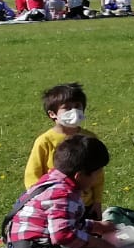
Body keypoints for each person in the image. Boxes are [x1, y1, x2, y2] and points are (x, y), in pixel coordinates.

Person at [5, 134, 126, 248]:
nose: (98, 177)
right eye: (97, 173)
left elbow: (67, 222)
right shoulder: (63, 194)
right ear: (79, 176)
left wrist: (98, 226)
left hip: (25, 247)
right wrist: (99, 244)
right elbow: (63, 235)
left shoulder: (54, 180)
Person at [25, 83, 105, 218]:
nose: (74, 111)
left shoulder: (89, 138)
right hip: (55, 205)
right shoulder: (45, 141)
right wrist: (40, 201)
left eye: (77, 106)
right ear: (52, 114)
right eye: (67, 108)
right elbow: (33, 175)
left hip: (86, 205)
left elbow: (98, 173)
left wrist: (97, 201)